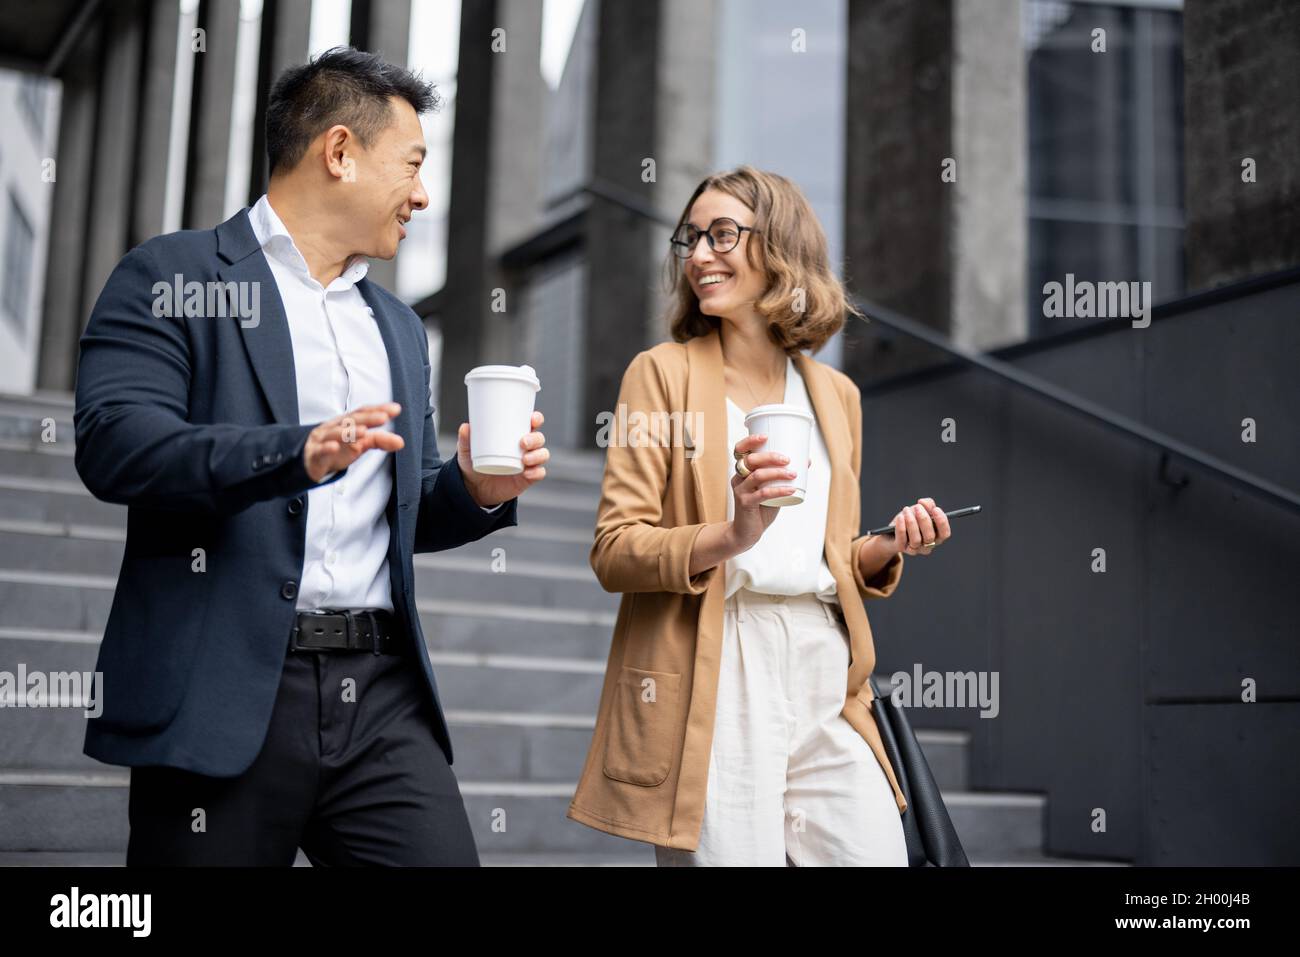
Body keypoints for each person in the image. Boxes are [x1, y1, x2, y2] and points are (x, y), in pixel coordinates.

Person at [74, 47, 549, 866]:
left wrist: (473, 488)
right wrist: (295, 452)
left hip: (381, 699)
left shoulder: (398, 327)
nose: (424, 195)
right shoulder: (173, 275)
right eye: (412, 165)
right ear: (339, 152)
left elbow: (402, 511)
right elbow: (118, 446)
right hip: (221, 690)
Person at [566, 166, 953, 866]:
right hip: (717, 654)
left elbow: (827, 557)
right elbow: (615, 549)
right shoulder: (662, 375)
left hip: (826, 667)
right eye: (692, 239)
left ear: (779, 246)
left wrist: (889, 544)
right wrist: (734, 532)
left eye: (722, 234)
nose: (699, 254)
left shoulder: (836, 395)